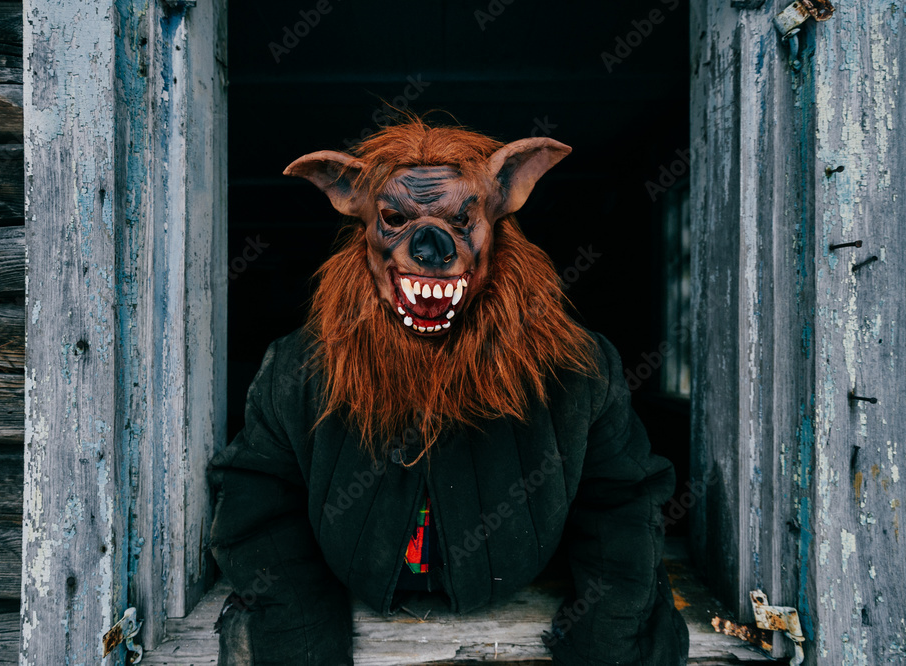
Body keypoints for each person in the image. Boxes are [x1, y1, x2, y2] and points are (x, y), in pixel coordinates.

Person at [208, 117, 689, 665]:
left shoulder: (574, 369)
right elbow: (257, 501)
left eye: (462, 219)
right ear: (350, 201)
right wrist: (302, 638)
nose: (430, 244)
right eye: (396, 218)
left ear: (507, 197)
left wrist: (605, 645)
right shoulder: (301, 367)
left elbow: (623, 506)